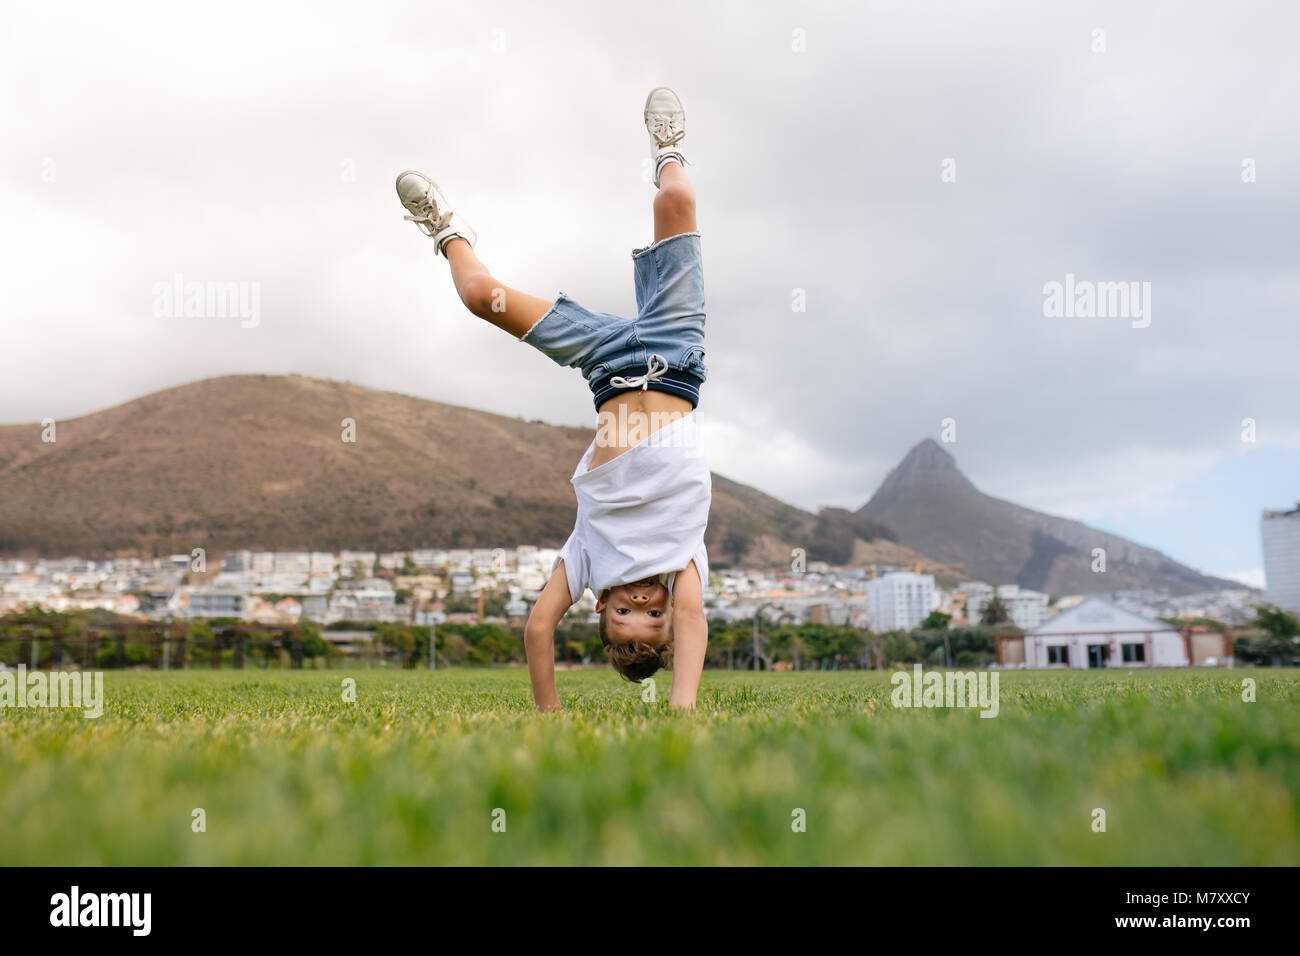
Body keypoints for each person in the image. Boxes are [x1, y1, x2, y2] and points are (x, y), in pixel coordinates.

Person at [395, 87, 710, 710]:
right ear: (670, 610)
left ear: (602, 603)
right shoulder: (684, 566)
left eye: (626, 612)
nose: (642, 603)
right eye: (654, 616)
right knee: (676, 199)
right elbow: (695, 628)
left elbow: (538, 628)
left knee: (481, 297)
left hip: (605, 364)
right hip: (675, 354)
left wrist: (550, 717)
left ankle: (447, 231)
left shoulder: (588, 561)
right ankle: (669, 150)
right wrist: (682, 711)